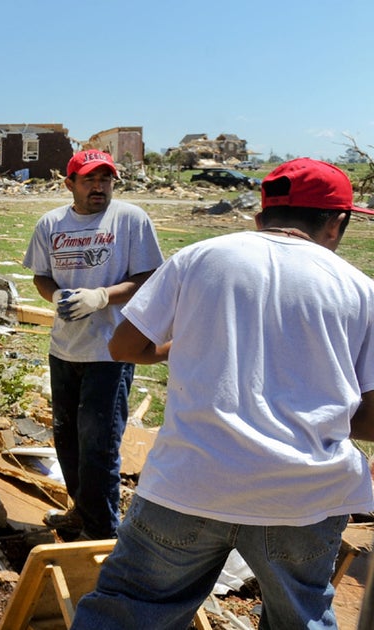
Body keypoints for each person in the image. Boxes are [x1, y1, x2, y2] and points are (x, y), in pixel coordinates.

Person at [72, 158, 374, 629]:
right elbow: (371, 419)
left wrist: (185, 348)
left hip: (190, 482)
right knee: (301, 618)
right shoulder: (360, 289)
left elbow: (125, 345)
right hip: (302, 497)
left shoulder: (200, 257)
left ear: (260, 217)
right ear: (336, 224)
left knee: (128, 610)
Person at [22, 149, 163, 541]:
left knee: (99, 445)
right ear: (70, 183)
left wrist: (101, 297)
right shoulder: (50, 224)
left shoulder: (130, 220)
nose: (99, 187)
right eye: (89, 180)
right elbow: (41, 276)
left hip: (110, 351)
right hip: (64, 349)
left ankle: (102, 536)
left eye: (105, 179)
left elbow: (149, 276)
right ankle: (80, 512)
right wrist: (56, 298)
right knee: (67, 440)